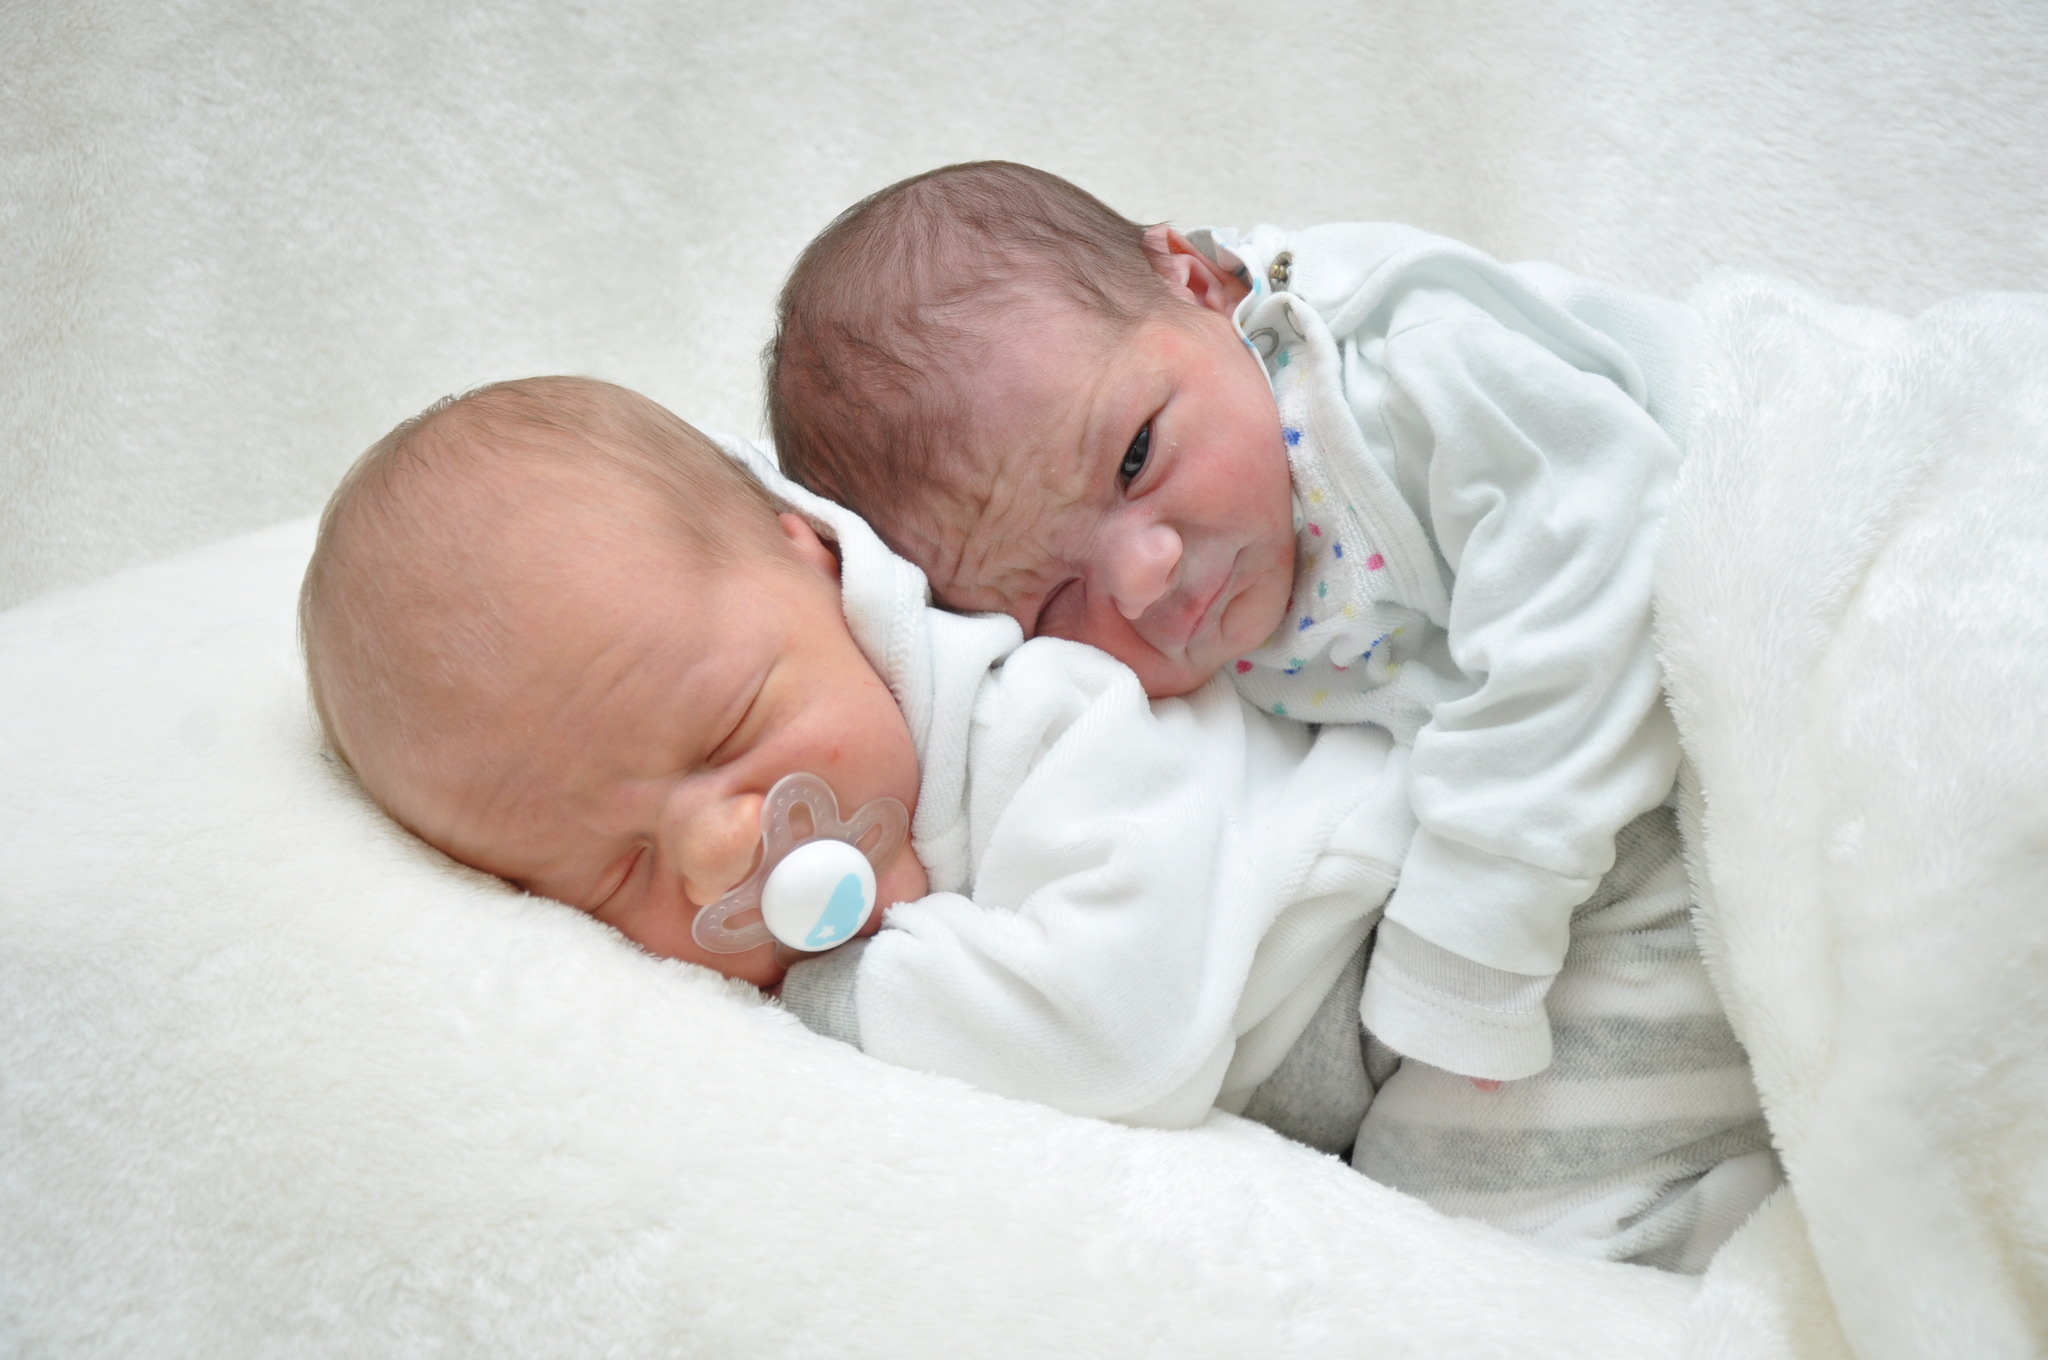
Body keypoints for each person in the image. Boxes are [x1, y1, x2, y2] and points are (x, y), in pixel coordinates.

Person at [300, 375, 1772, 1271]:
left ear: (813, 558)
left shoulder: (1046, 719)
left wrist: (836, 999)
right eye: (613, 871)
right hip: (1389, 1049)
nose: (717, 850)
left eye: (733, 732)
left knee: (1502, 1254)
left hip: (1536, 955)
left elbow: (1116, 1034)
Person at [765, 160, 1697, 1089]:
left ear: (1195, 282)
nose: (1141, 578)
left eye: (1134, 459)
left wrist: (1473, 933)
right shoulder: (1136, 628)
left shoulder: (1406, 371)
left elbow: (1605, 572)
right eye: (1053, 602)